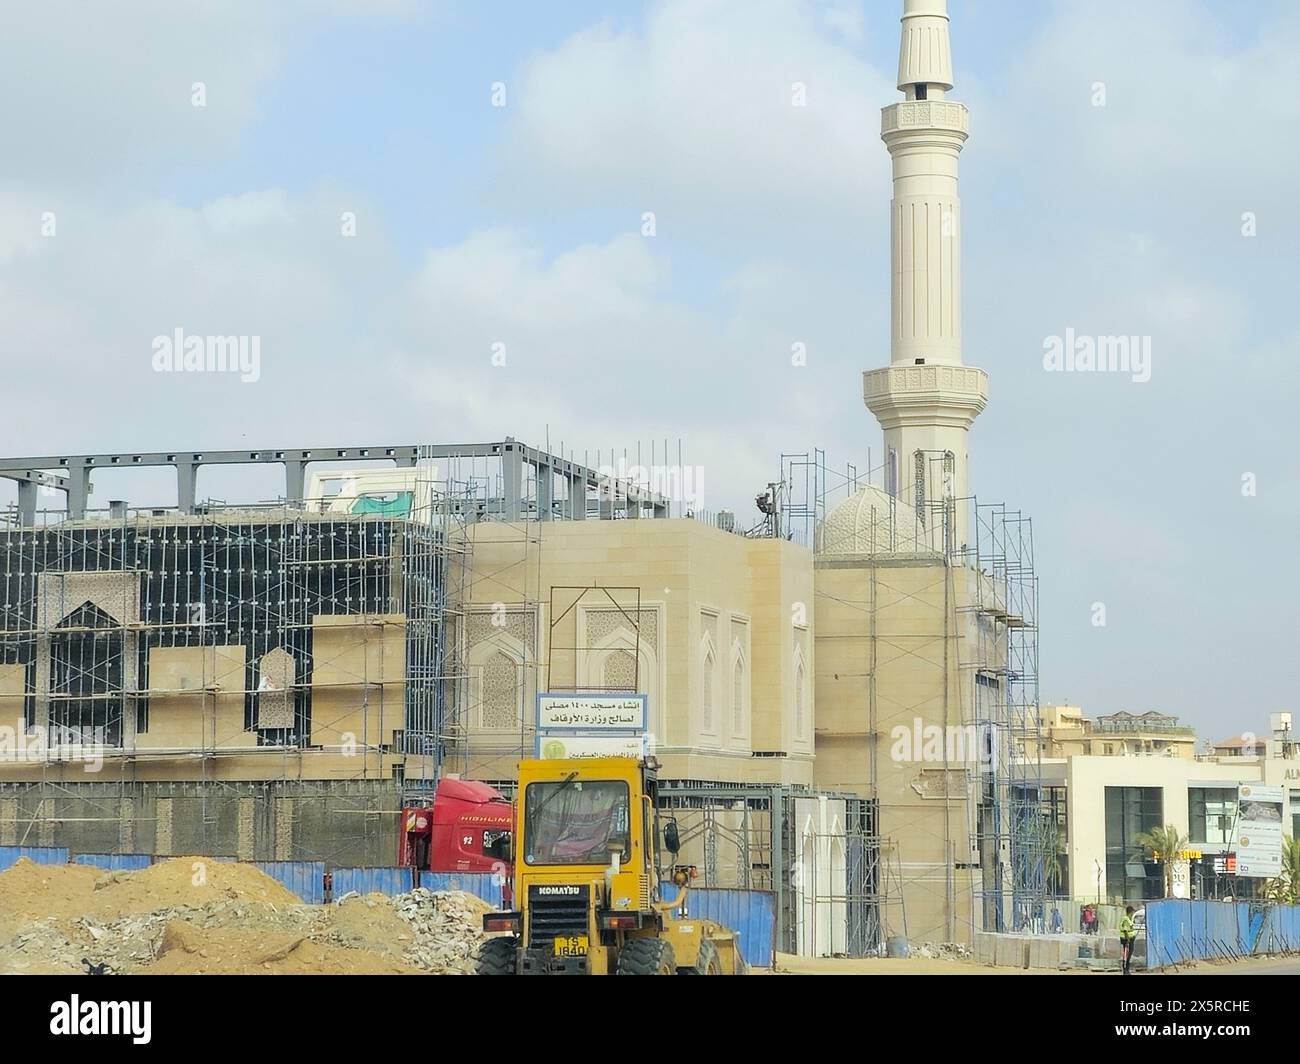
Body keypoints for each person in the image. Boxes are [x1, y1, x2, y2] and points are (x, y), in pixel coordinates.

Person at [1119, 904, 1137, 975]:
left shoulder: (1129, 919)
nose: (1133, 914)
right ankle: (1126, 969)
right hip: (1126, 939)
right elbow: (1126, 930)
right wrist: (1128, 939)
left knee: (1128, 953)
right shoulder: (1126, 919)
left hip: (1129, 939)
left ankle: (1126, 969)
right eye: (1132, 912)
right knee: (1127, 954)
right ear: (1130, 912)